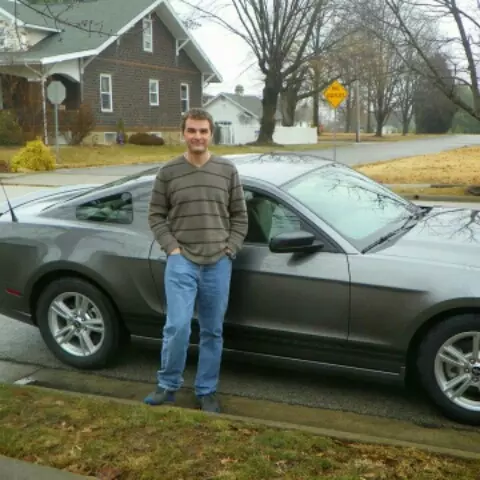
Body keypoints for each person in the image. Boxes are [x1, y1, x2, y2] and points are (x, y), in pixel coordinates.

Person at [144, 108, 248, 413]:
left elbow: (240, 216)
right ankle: (167, 386)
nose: (198, 136)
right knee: (176, 327)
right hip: (182, 260)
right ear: (183, 133)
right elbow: (155, 215)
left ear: (211, 134)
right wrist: (171, 248)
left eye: (203, 131)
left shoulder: (227, 171)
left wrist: (231, 248)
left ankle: (206, 390)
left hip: (219, 261)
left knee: (213, 330)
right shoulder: (169, 172)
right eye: (192, 130)